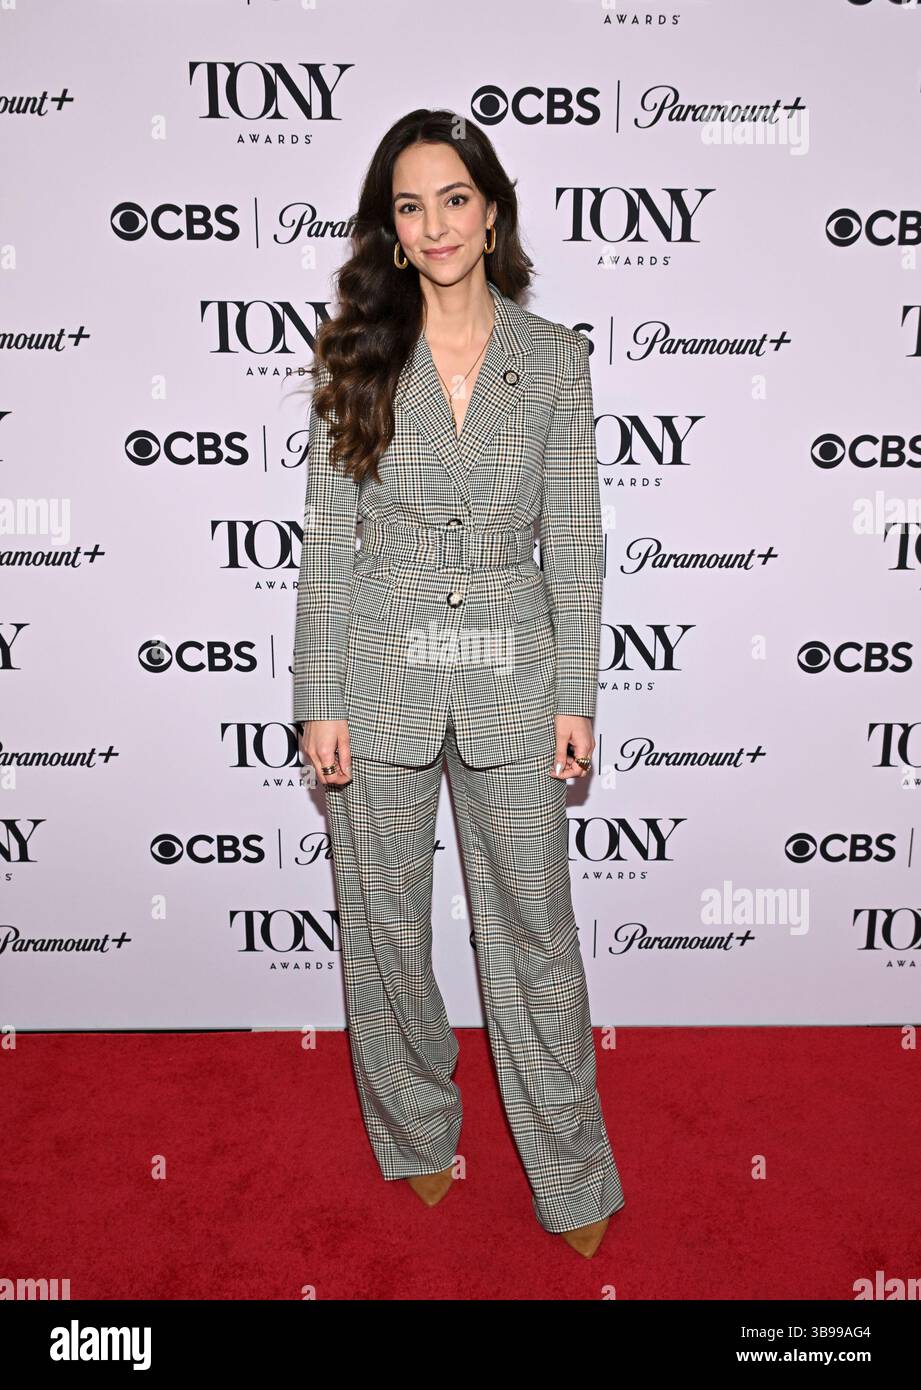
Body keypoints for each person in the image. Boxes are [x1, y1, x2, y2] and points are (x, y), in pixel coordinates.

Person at [293, 109, 625, 1260]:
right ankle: (418, 1130)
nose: (433, 224)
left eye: (453, 198)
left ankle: (572, 1167)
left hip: (513, 670)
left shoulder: (556, 360)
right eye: (408, 205)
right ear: (391, 230)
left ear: (491, 211)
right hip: (377, 662)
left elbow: (575, 543)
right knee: (384, 926)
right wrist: (317, 696)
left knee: (535, 928)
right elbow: (331, 538)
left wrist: (576, 692)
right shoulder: (357, 352)